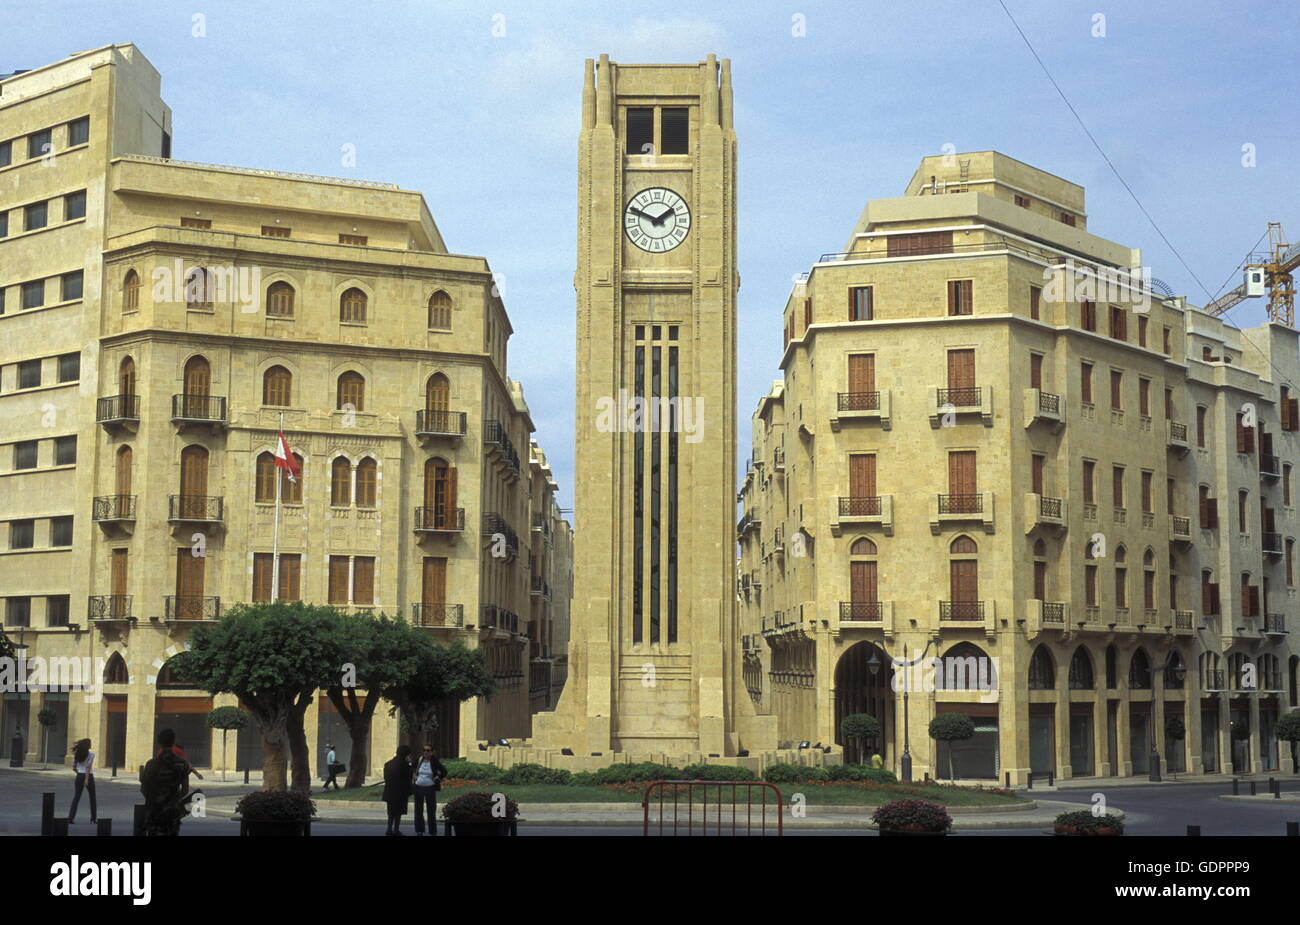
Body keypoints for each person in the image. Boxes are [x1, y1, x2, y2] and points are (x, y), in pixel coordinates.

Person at [140, 729, 195, 836]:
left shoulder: (152, 764)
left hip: (154, 811)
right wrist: (173, 801)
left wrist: (156, 800)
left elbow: (144, 789)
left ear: (159, 742)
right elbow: (185, 790)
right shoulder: (182, 763)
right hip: (172, 812)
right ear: (173, 741)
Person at [411, 745, 448, 836]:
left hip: (430, 787)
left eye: (428, 750)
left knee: (431, 810)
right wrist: (413, 776)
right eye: (424, 750)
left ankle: (432, 831)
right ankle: (419, 830)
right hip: (418, 786)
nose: (425, 752)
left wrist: (437, 778)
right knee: (418, 810)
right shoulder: (419, 760)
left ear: (432, 752)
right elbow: (411, 767)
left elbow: (444, 771)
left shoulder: (434, 761)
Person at [381, 744, 414, 836]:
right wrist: (410, 764)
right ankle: (396, 829)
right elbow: (409, 776)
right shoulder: (405, 764)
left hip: (390, 791)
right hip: (401, 792)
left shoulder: (388, 764)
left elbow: (385, 777)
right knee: (398, 812)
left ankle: (389, 829)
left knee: (391, 812)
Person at [66, 738, 97, 825]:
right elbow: (88, 767)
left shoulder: (78, 754)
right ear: (88, 745)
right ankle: (93, 819)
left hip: (79, 775)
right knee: (92, 798)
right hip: (89, 776)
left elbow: (74, 767)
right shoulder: (91, 755)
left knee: (76, 797)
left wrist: (79, 773)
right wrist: (86, 779)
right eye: (90, 743)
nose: (91, 745)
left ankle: (70, 818)